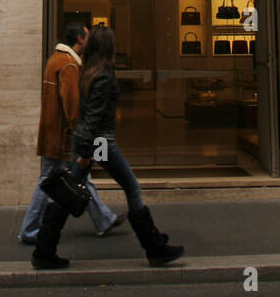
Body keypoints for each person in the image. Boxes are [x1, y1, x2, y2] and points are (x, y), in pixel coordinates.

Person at [32, 24, 183, 270]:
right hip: (101, 142)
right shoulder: (104, 75)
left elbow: (87, 115)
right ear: (109, 47)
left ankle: (44, 249)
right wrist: (85, 153)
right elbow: (93, 116)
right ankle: (154, 247)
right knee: (132, 187)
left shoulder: (89, 71)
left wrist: (83, 149)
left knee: (67, 193)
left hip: (92, 142)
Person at [19, 24, 125, 244]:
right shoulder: (68, 65)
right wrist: (82, 133)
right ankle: (29, 229)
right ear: (79, 39)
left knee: (81, 176)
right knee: (50, 179)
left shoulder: (55, 60)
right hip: (63, 137)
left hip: (53, 133)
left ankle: (104, 219)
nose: (90, 41)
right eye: (87, 37)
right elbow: (71, 105)